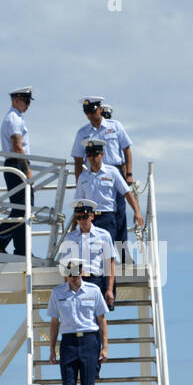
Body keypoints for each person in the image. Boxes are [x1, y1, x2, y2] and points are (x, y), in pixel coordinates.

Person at [48, 257, 110, 385]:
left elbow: (102, 320)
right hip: (68, 342)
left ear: (82, 272)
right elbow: (54, 322)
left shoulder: (93, 290)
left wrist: (105, 347)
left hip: (90, 341)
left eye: (76, 273)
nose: (74, 277)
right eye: (70, 274)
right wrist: (52, 348)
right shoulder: (57, 293)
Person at [71, 96, 135, 249]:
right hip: (92, 174)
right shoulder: (82, 133)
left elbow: (126, 149)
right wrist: (79, 181)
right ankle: (97, 253)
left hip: (115, 172)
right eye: (87, 113)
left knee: (119, 214)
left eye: (93, 112)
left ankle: (123, 253)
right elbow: (78, 160)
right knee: (95, 215)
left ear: (100, 109)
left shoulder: (115, 126)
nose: (90, 116)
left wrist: (129, 173)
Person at [76, 139, 144, 251]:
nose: (92, 158)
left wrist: (137, 212)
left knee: (106, 250)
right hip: (88, 217)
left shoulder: (112, 172)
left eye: (94, 154)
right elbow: (78, 201)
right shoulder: (83, 177)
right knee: (90, 251)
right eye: (89, 155)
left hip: (107, 217)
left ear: (101, 154)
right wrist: (75, 226)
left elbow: (127, 192)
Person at [0, 87, 33, 256]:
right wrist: (27, 170)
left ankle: (21, 249)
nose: (28, 105)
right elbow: (17, 146)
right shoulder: (13, 119)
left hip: (17, 163)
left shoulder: (17, 117)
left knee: (23, 207)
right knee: (22, 207)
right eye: (25, 101)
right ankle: (0, 238)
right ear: (16, 100)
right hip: (17, 164)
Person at [57, 198, 117, 307]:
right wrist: (67, 288)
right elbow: (66, 264)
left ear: (92, 216)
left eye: (85, 217)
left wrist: (109, 289)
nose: (82, 221)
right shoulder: (70, 238)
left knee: (96, 318)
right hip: (76, 281)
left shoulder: (103, 236)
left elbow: (110, 263)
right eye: (79, 218)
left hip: (95, 281)